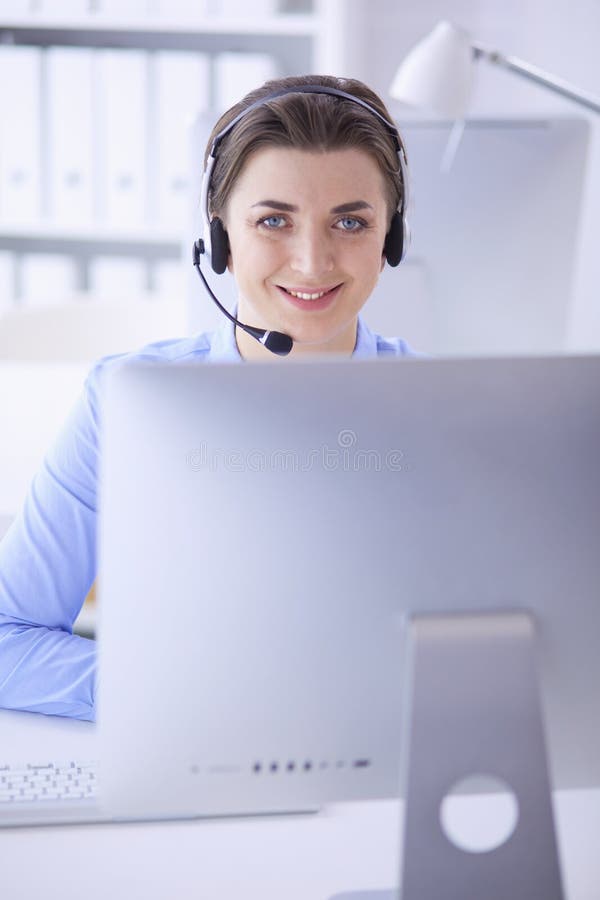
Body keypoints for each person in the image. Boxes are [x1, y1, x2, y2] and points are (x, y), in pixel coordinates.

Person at [0, 73, 417, 722]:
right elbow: (7, 636)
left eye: (351, 222)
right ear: (220, 235)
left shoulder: (447, 409)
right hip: (189, 763)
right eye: (273, 220)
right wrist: (178, 695)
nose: (312, 262)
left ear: (392, 238)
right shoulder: (130, 401)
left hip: (387, 770)